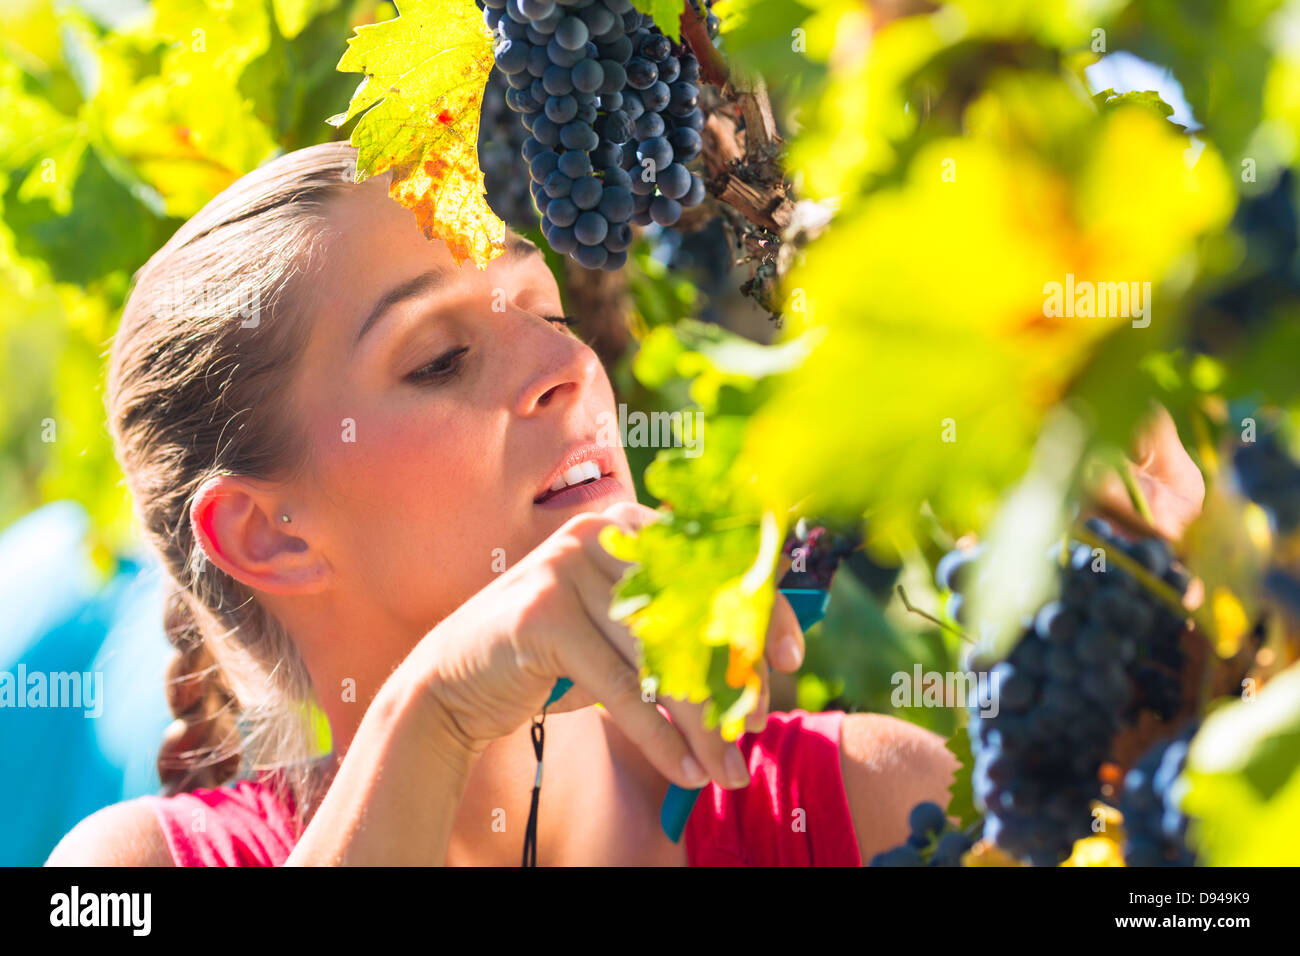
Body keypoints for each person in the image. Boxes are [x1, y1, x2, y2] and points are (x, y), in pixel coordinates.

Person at [42, 141, 958, 866]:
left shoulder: (870, 806)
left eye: (548, 312)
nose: (568, 368)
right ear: (266, 533)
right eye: (438, 359)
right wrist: (435, 712)